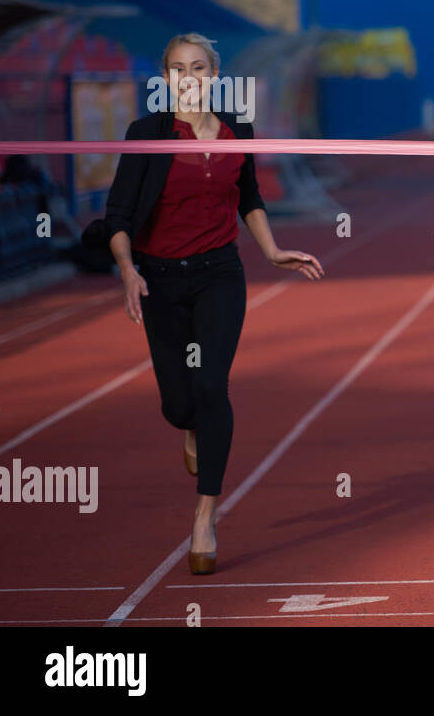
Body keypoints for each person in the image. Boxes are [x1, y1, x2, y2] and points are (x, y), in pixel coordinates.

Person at [104, 33, 323, 575]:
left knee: (211, 386)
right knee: (179, 405)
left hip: (219, 274)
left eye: (198, 68)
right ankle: (190, 425)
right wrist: (128, 270)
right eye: (178, 69)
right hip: (159, 280)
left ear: (214, 75)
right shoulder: (145, 134)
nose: (189, 78)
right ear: (166, 79)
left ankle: (206, 515)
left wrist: (272, 252)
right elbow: (118, 214)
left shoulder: (236, 133)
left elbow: (247, 197)